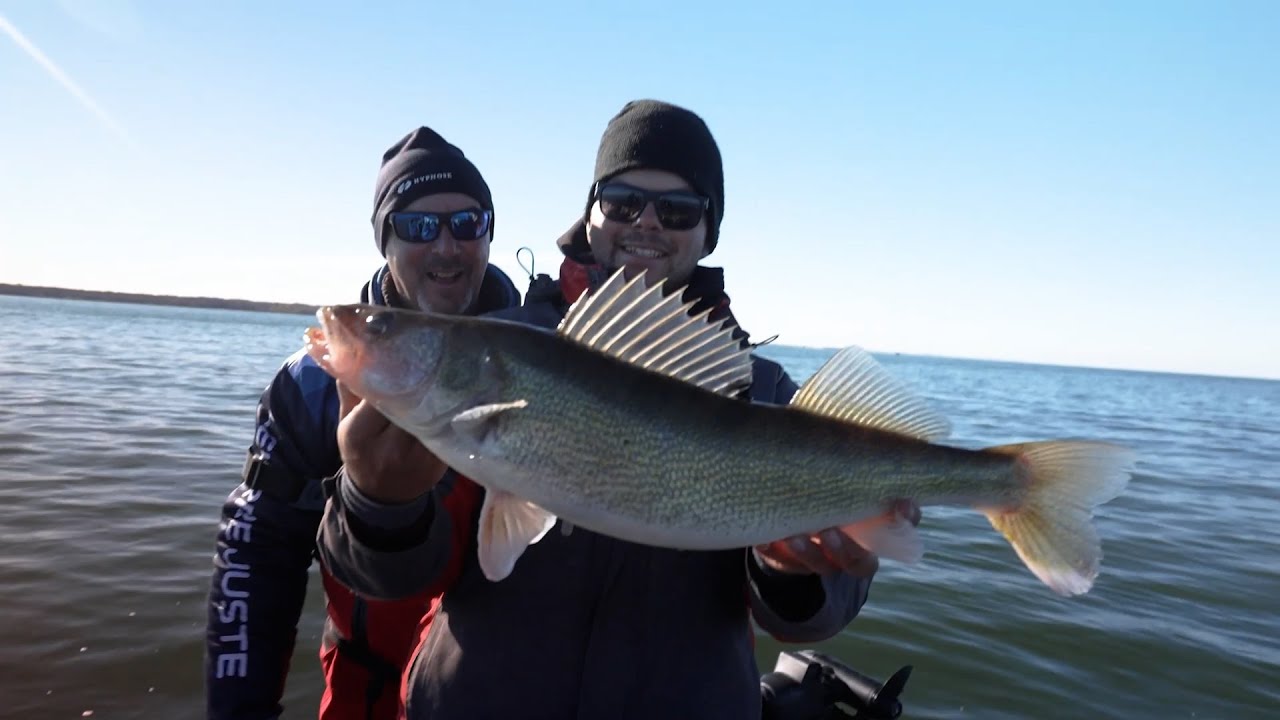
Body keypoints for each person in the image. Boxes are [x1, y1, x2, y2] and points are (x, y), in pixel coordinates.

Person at [317, 99, 921, 720]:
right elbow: (391, 582)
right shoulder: (501, 348)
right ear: (592, 216)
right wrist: (376, 504)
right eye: (623, 203)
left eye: (679, 210)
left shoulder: (761, 392)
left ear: (708, 231)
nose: (648, 223)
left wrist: (793, 571)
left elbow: (812, 615)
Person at [203, 126, 521, 720]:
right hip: (367, 699)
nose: (447, 246)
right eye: (419, 227)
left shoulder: (547, 353)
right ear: (385, 241)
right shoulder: (310, 388)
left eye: (468, 223)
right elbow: (256, 554)